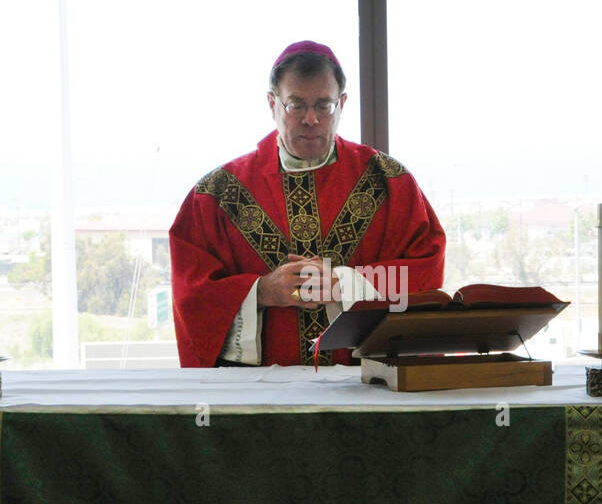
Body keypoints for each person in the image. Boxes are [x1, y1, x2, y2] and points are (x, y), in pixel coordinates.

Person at [169, 40, 446, 367]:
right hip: (261, 397)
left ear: (342, 104)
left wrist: (344, 283)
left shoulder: (389, 183)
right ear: (272, 104)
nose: (311, 119)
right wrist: (262, 291)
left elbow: (425, 278)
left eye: (324, 105)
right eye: (296, 105)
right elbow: (191, 296)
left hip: (363, 387)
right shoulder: (217, 194)